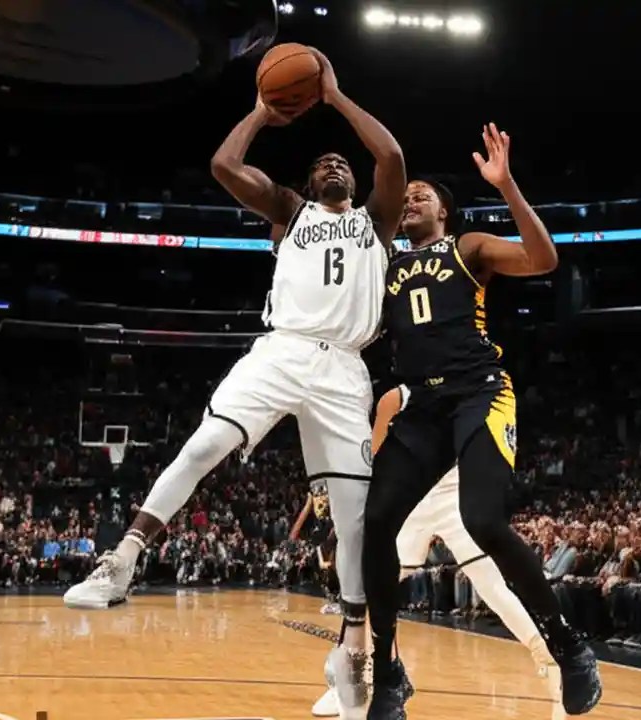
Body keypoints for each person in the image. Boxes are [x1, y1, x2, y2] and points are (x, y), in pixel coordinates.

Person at [62, 48, 406, 720]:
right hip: (279, 352)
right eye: (323, 163)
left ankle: (351, 658)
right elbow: (223, 167)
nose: (337, 164)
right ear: (305, 186)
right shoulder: (289, 212)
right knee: (202, 445)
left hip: (343, 370)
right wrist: (258, 112)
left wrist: (334, 98)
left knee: (357, 524)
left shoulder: (377, 222)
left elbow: (390, 158)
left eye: (342, 164)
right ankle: (122, 562)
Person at [361, 124, 601, 719]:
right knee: (376, 527)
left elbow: (543, 259)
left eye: (424, 193)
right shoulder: (382, 261)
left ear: (445, 210)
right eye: (406, 192)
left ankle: (567, 646)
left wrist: (507, 185)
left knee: (483, 520)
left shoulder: (466, 247)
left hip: (479, 393)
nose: (412, 196)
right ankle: (388, 673)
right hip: (421, 404)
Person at [312, 385, 567, 720]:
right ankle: (354, 681)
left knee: (493, 587)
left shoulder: (470, 386)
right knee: (371, 588)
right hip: (414, 499)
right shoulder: (397, 396)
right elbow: (373, 455)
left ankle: (553, 662)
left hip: (452, 494)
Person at [290, 481, 341, 615]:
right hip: (326, 541)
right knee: (324, 566)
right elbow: (294, 537)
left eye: (323, 496)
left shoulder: (336, 515)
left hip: (339, 538)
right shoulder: (318, 526)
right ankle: (334, 599)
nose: (321, 501)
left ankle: (341, 599)